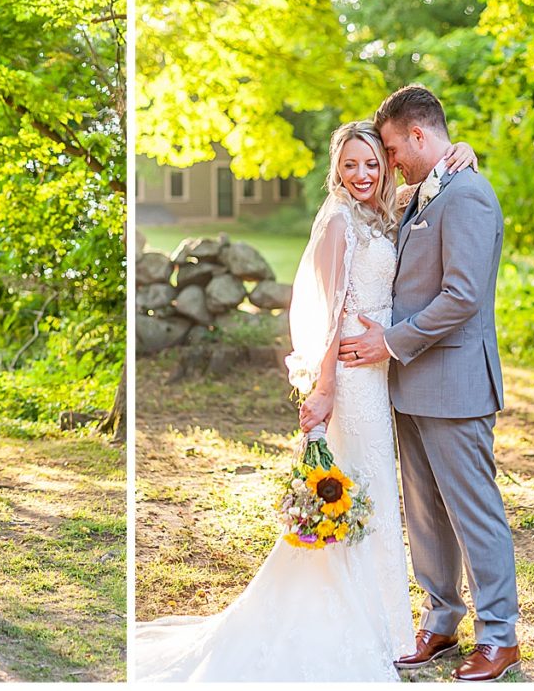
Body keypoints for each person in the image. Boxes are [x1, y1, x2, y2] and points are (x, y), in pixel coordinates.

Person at [135, 122, 477, 682]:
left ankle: (385, 622)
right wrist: (320, 391)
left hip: (376, 376)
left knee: (375, 499)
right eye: (350, 165)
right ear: (335, 170)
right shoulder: (340, 221)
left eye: (373, 163)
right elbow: (324, 311)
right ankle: (342, 622)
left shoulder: (384, 212)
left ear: (387, 166)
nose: (363, 174)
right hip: (347, 381)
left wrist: (464, 149)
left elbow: (433, 172)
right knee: (355, 496)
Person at [339, 85, 520, 682]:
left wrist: (389, 342)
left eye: (392, 149)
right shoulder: (426, 191)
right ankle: (441, 619)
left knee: (474, 513)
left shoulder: (466, 195)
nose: (390, 162)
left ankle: (499, 636)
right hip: (412, 385)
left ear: (418, 136)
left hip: (456, 384)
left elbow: (462, 296)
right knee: (424, 513)